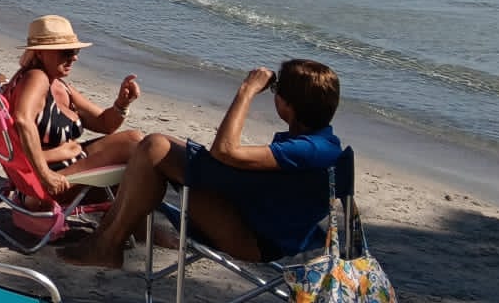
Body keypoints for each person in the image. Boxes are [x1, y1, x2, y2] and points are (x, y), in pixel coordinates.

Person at [61, 60, 344, 269]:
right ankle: (106, 241)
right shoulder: (323, 144)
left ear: (289, 106)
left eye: (277, 91)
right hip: (263, 223)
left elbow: (225, 150)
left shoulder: (307, 150)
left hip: (254, 240)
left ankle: (107, 245)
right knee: (156, 148)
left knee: (154, 146)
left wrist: (247, 90)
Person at [4, 16, 143, 202]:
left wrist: (122, 103)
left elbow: (104, 124)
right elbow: (23, 119)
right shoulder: (36, 78)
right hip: (49, 182)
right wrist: (45, 175)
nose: (74, 57)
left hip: (68, 165)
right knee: (137, 152)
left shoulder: (59, 85)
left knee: (135, 138)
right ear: (39, 53)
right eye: (66, 52)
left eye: (75, 50)